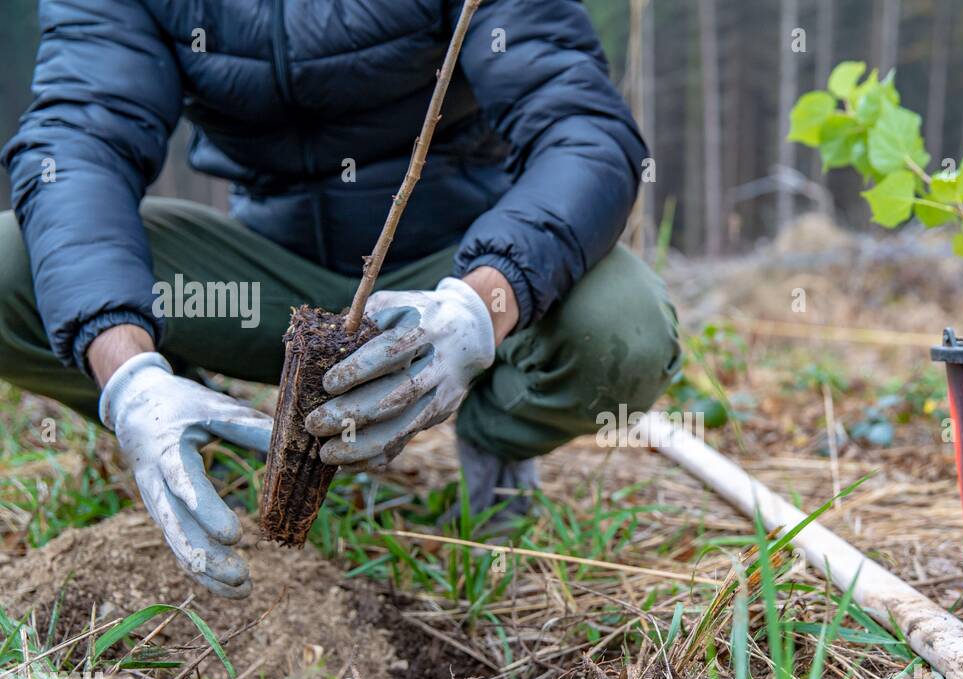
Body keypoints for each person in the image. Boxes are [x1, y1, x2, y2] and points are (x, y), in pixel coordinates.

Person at [0, 0, 681, 599]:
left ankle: (495, 440)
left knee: (622, 326)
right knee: (12, 267)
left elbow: (584, 130)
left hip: (453, 268)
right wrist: (131, 381)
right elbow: (80, 142)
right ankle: (218, 449)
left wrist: (480, 305)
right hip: (260, 277)